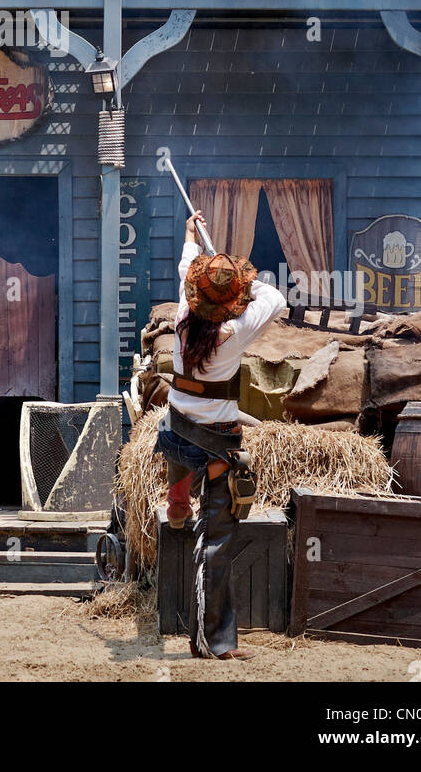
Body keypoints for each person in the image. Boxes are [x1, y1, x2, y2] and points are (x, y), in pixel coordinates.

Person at [156, 209, 287, 660]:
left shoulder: (181, 314)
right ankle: (213, 643)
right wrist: (235, 277)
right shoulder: (236, 331)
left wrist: (193, 238)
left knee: (171, 422)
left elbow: (184, 269)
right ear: (231, 301)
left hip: (176, 435)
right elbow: (274, 296)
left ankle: (177, 497)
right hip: (214, 442)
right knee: (216, 541)